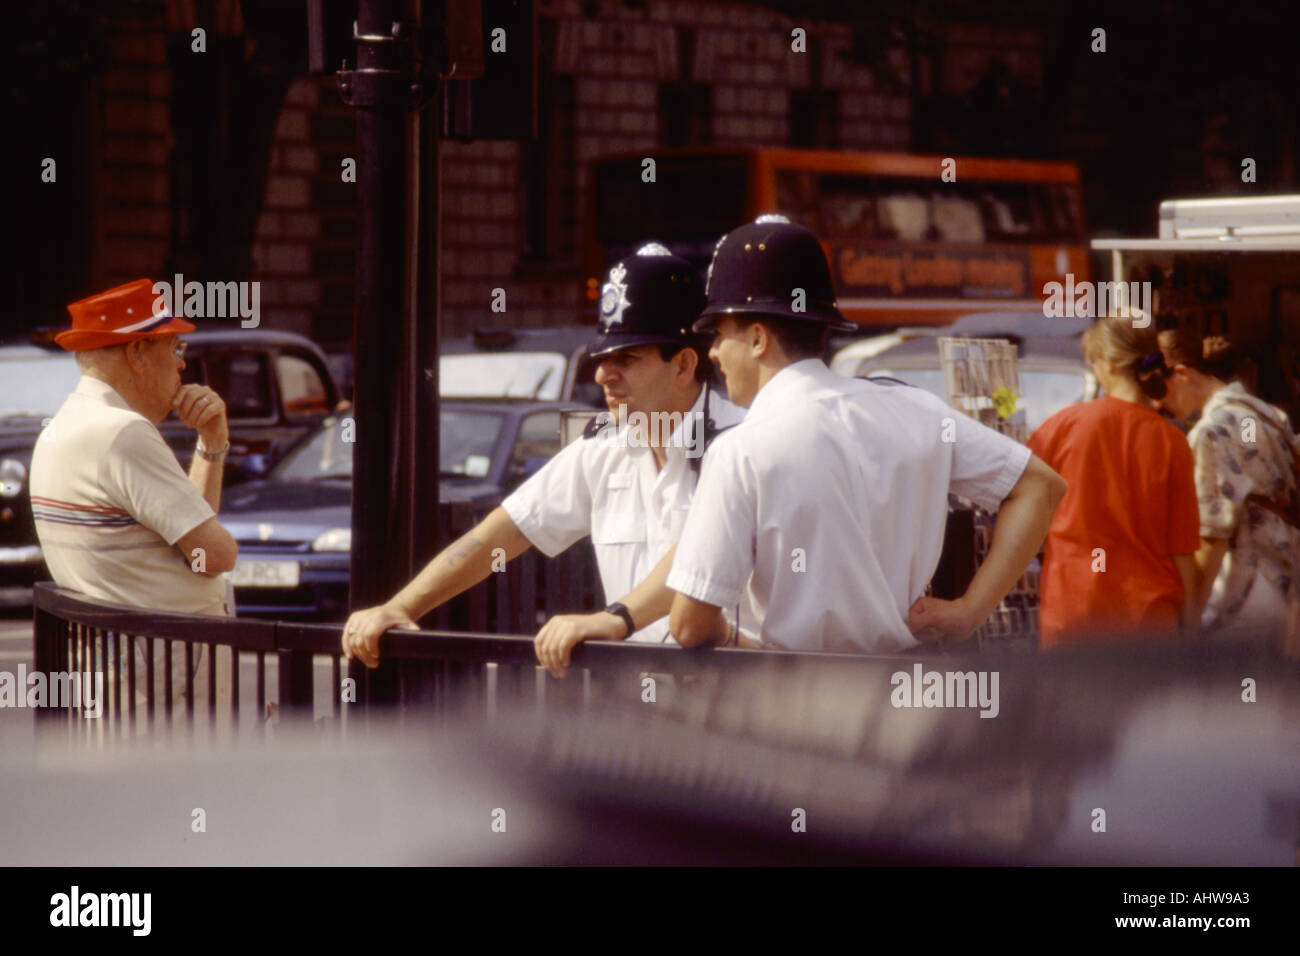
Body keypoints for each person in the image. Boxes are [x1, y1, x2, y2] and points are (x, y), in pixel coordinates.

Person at [666, 215, 1066, 653]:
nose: (714, 351)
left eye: (721, 333)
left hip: (794, 701)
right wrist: (969, 611)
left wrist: (734, 639)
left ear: (758, 338)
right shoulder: (918, 411)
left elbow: (689, 627)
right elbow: (1040, 486)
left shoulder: (739, 450)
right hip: (908, 698)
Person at [342, 244, 746, 677]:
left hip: (732, 706)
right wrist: (401, 607)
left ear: (684, 365)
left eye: (626, 358)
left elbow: (697, 556)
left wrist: (614, 618)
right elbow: (505, 531)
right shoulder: (603, 449)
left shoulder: (742, 444)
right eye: (603, 358)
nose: (602, 375)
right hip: (640, 712)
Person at [30, 278, 238, 711]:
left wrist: (210, 442)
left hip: (116, 668)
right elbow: (215, 556)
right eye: (175, 348)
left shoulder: (66, 424)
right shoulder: (123, 432)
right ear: (137, 353)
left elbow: (193, 546)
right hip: (165, 669)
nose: (183, 365)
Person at [1024, 312, 1201, 648]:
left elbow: (1017, 496)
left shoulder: (1063, 426)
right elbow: (1183, 548)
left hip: (1074, 610)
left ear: (1109, 364)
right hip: (1151, 618)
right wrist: (1191, 622)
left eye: (1092, 360)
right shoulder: (1172, 441)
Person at [1156, 330, 1300, 646]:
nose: (1158, 404)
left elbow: (1213, 535)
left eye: (1159, 390)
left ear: (1181, 374)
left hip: (1249, 585)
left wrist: (1190, 619)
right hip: (1286, 577)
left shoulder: (1212, 432)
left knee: (1240, 691)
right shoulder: (1262, 413)